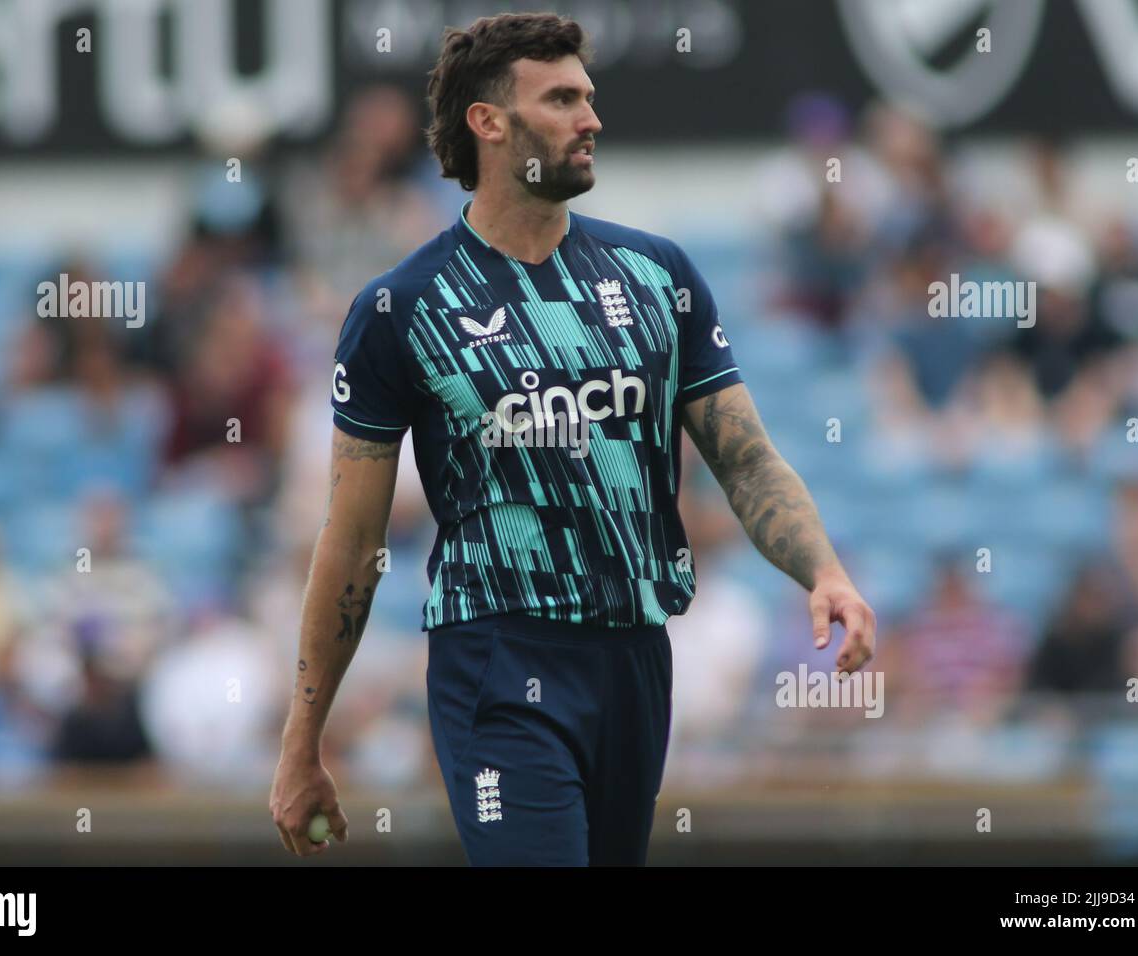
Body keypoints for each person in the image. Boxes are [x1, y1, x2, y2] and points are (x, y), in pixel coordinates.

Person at [269, 12, 876, 866]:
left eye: (587, 97)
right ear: (488, 122)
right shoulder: (400, 309)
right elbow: (353, 538)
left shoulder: (658, 276)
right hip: (496, 654)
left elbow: (742, 458)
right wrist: (303, 741)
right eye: (561, 100)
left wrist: (825, 571)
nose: (591, 119)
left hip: (635, 654)